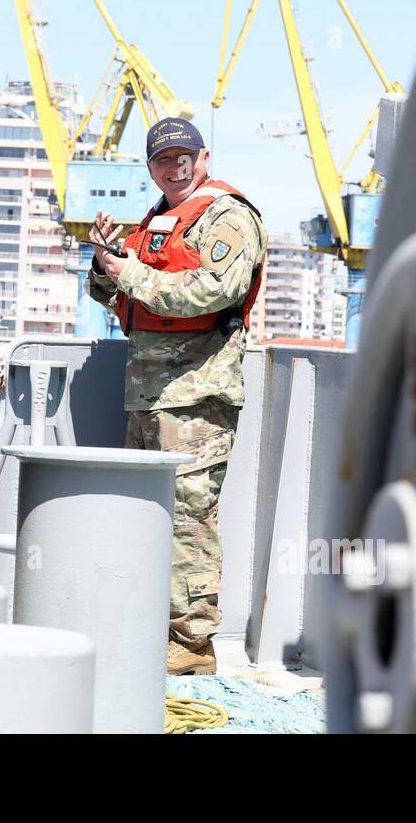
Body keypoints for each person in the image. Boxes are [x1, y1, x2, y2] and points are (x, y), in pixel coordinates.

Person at [86, 117, 267, 676]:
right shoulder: (157, 220)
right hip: (147, 396)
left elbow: (215, 289)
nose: (175, 166)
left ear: (204, 158)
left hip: (196, 399)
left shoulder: (228, 216)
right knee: (146, 517)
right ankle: (148, 634)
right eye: (164, 159)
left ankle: (190, 651)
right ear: (150, 167)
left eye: (184, 157)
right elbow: (111, 292)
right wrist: (105, 262)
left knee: (188, 519)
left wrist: (131, 272)